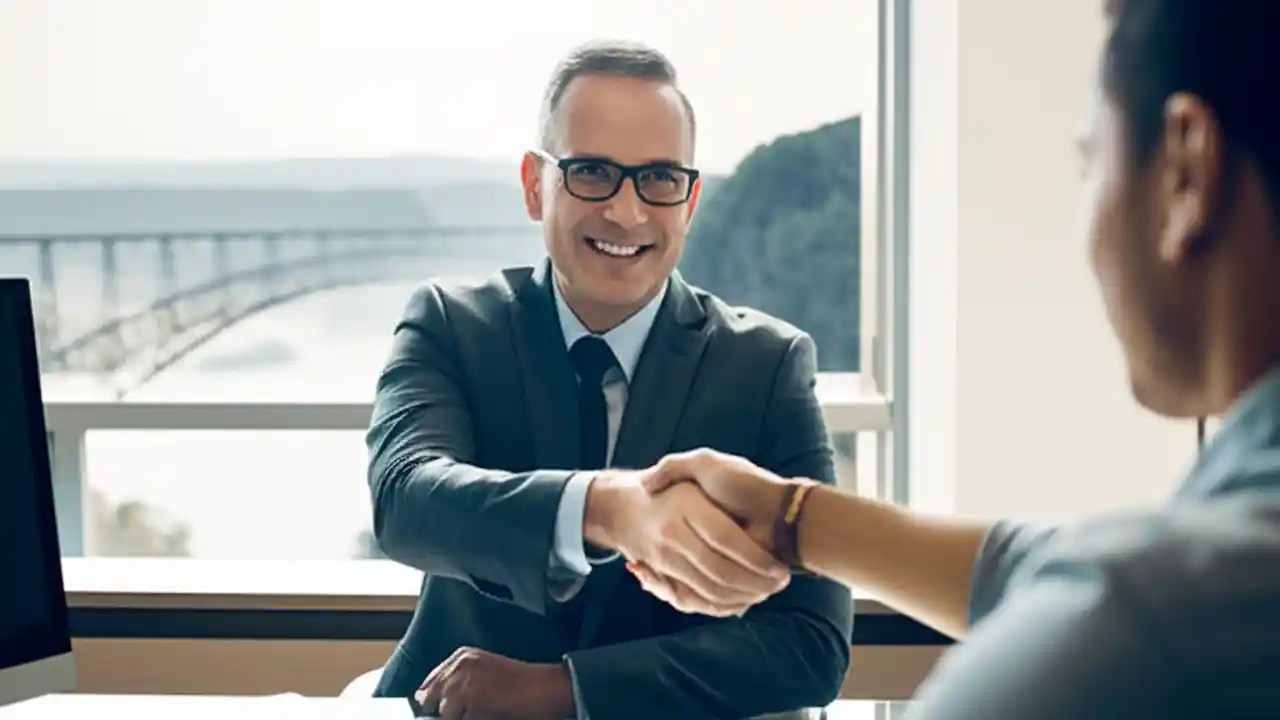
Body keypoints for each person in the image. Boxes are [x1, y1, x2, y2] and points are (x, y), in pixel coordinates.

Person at [633, 1, 1280, 717]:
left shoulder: (1142, 636)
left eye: (1089, 157)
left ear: (1186, 171)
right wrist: (798, 521)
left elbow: (1139, 592)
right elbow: (1046, 565)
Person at [364, 40, 853, 719]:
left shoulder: (767, 364)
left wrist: (563, 691)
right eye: (592, 171)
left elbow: (812, 645)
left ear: (690, 200)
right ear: (537, 185)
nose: (627, 213)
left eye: (658, 178)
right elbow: (405, 501)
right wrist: (606, 509)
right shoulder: (452, 324)